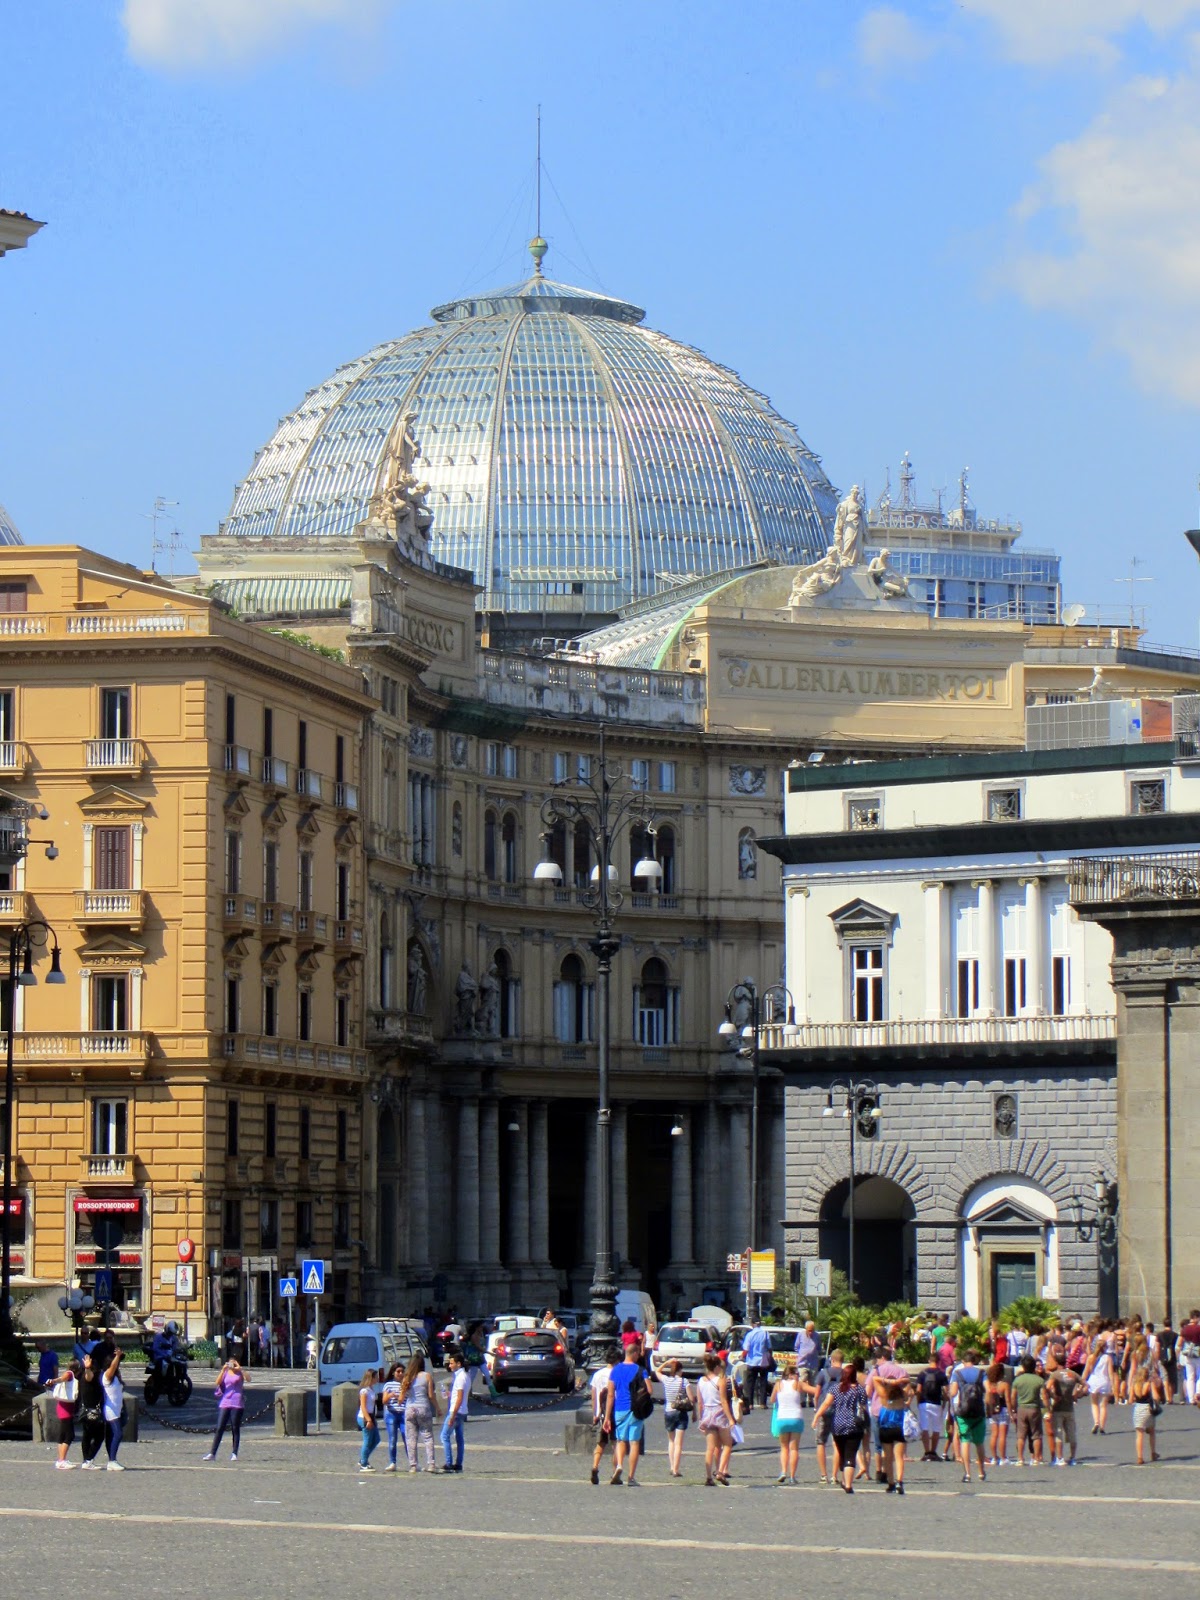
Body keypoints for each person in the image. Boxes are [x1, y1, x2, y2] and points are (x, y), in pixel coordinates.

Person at [816, 1356, 868, 1494]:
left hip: (837, 1425)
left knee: (842, 1453)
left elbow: (826, 1404)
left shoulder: (836, 1389)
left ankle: (845, 1480)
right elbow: (863, 1407)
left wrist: (816, 1416)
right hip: (855, 1425)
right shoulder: (859, 1390)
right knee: (850, 1455)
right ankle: (848, 1484)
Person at [605, 1338, 648, 1487]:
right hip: (635, 1410)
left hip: (619, 1409)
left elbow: (610, 1394)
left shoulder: (615, 1370)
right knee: (634, 1442)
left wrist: (607, 1417)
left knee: (620, 1440)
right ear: (635, 1353)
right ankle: (631, 1477)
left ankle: (619, 1466)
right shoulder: (641, 1370)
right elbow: (650, 1389)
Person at [770, 1359, 819, 1485]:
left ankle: (783, 1471)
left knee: (784, 1447)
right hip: (796, 1418)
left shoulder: (778, 1384)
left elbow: (772, 1399)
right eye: (796, 1373)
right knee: (794, 1448)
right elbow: (815, 1391)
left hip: (782, 1418)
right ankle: (792, 1476)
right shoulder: (798, 1384)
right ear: (792, 1374)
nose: (798, 1375)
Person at [696, 1351, 736, 1488]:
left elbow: (700, 1403)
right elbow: (724, 1401)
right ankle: (719, 1472)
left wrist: (701, 1419)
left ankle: (708, 1477)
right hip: (719, 1413)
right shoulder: (720, 1380)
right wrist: (731, 1419)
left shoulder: (701, 1381)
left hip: (707, 1413)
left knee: (710, 1448)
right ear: (717, 1367)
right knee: (728, 1444)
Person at [949, 1347, 988, 1484]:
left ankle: (967, 1473)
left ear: (963, 1361)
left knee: (965, 1440)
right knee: (979, 1442)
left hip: (963, 1411)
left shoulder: (957, 1373)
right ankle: (982, 1471)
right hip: (978, 1411)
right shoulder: (981, 1373)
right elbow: (988, 1390)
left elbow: (953, 1393)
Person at [401, 1351, 440, 1473]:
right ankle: (431, 1464)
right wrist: (438, 1408)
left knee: (411, 1438)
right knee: (427, 1436)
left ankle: (413, 1465)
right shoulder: (426, 1376)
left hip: (410, 1408)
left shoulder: (407, 1377)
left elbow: (401, 1398)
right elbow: (430, 1395)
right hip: (423, 1407)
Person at [203, 1357, 248, 1462]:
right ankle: (212, 1453)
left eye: (233, 1363)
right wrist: (223, 1370)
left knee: (235, 1428)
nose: (231, 1365)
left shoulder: (239, 1373)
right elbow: (217, 1382)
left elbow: (249, 1379)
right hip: (225, 1402)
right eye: (230, 1363)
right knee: (219, 1428)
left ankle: (234, 1453)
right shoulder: (226, 1372)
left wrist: (240, 1368)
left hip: (237, 1402)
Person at [1041, 1351, 1082, 1467]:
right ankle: (1073, 1457)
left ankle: (1060, 1458)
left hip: (1058, 1408)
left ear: (1056, 1362)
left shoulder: (1055, 1375)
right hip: (1070, 1407)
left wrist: (1054, 1396)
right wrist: (1077, 1394)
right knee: (1072, 1433)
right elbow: (1086, 1385)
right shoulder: (1073, 1374)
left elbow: (1047, 1388)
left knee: (1058, 1433)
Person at [1128, 1336, 1164, 1465]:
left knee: (1139, 1434)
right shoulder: (1150, 1351)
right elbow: (1155, 1366)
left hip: (1138, 1406)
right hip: (1147, 1405)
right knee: (1152, 1431)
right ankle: (1153, 1452)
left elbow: (1132, 1370)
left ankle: (1139, 1457)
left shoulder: (1134, 1354)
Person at [876, 1372, 913, 1495]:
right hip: (899, 1428)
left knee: (888, 1457)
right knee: (899, 1457)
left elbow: (875, 1380)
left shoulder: (884, 1395)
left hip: (885, 1428)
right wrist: (899, 1381)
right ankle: (899, 1482)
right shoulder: (902, 1396)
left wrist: (888, 1381)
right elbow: (909, 1381)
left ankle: (891, 1483)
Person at [811, 1347, 844, 1483]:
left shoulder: (822, 1373)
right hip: (839, 1410)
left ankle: (823, 1475)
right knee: (836, 1443)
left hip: (824, 1410)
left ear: (832, 1360)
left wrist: (816, 1406)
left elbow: (817, 1393)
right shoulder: (845, 1374)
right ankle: (834, 1475)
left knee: (820, 1442)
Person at [659, 1358, 695, 1478]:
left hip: (668, 1411)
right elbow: (691, 1399)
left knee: (671, 1441)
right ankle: (676, 1469)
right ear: (680, 1370)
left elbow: (657, 1371)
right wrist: (694, 1411)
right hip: (680, 1412)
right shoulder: (684, 1381)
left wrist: (666, 1362)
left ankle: (671, 1465)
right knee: (679, 1443)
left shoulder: (666, 1380)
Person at [588, 1347, 617, 1485]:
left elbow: (594, 1396)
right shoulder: (617, 1374)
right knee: (616, 1444)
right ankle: (615, 1472)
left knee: (601, 1443)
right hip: (614, 1413)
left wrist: (595, 1413)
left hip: (601, 1413)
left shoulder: (597, 1374)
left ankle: (595, 1466)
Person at [1011, 1355, 1045, 1466]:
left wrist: (1013, 1409)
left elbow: (1013, 1396)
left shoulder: (1018, 1380)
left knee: (1021, 1435)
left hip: (1021, 1407)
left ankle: (1020, 1458)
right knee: (1036, 1435)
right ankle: (1036, 1458)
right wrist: (1047, 1408)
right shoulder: (1039, 1380)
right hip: (1034, 1407)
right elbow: (1044, 1396)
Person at [77, 1349, 107, 1469]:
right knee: (99, 1436)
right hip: (92, 1410)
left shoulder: (82, 1378)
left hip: (86, 1410)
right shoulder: (90, 1377)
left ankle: (86, 1460)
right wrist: (88, 1368)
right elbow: (89, 1377)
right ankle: (88, 1459)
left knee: (87, 1435)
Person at [440, 1347, 470, 1473]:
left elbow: (460, 1397)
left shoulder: (461, 1377)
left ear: (459, 1364)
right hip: (462, 1411)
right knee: (459, 1438)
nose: (450, 1365)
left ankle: (449, 1462)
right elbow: (457, 1395)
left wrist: (452, 1415)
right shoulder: (462, 1376)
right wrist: (449, 1394)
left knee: (444, 1435)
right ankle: (458, 1464)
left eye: (452, 1363)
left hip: (456, 1411)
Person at [916, 1352, 948, 1462]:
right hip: (936, 1403)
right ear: (939, 1362)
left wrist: (918, 1401)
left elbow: (918, 1390)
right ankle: (933, 1452)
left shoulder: (922, 1373)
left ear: (929, 1360)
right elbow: (945, 1391)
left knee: (924, 1428)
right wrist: (944, 1403)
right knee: (936, 1429)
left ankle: (926, 1452)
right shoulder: (941, 1374)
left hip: (924, 1403)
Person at [741, 1315, 774, 1411]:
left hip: (752, 1361)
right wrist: (770, 1357)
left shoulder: (750, 1335)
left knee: (750, 1383)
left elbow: (746, 1349)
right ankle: (763, 1403)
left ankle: (750, 1403)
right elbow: (769, 1347)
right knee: (763, 1382)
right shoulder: (765, 1333)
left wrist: (742, 1357)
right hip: (763, 1361)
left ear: (752, 1324)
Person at [51, 1359, 80, 1469]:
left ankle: (61, 1459)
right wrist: (54, 1381)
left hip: (63, 1408)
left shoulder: (68, 1373)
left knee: (62, 1435)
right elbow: (62, 1379)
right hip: (66, 1410)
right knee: (69, 1435)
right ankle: (61, 1460)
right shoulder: (70, 1374)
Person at [1085, 1331, 1115, 1434]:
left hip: (1093, 1381)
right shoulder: (1108, 1358)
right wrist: (1113, 1386)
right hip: (1104, 1381)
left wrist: (1081, 1383)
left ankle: (1096, 1422)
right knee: (1103, 1405)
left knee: (1094, 1403)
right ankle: (1102, 1426)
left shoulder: (1091, 1357)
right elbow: (1111, 1373)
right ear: (1105, 1347)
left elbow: (1086, 1372)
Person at [101, 1346, 126, 1470]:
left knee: (113, 1435)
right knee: (118, 1433)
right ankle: (112, 1460)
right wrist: (117, 1356)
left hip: (117, 1409)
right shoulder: (107, 1376)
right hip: (110, 1410)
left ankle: (112, 1459)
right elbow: (113, 1367)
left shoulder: (116, 1377)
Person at [984, 1360, 1012, 1467]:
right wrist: (1011, 1413)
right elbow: (1008, 1401)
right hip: (1003, 1410)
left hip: (992, 1411)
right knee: (1002, 1435)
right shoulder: (1004, 1385)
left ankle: (994, 1457)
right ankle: (1003, 1457)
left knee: (994, 1435)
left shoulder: (990, 1385)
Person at [380, 1361, 406, 1472]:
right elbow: (384, 1401)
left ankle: (413, 1462)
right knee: (393, 1439)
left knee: (407, 1438)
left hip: (404, 1413)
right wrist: (391, 1395)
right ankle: (392, 1462)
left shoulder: (405, 1384)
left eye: (402, 1371)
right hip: (392, 1413)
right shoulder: (388, 1385)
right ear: (393, 1373)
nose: (400, 1374)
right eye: (398, 1371)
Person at [356, 1366, 380, 1472]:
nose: (377, 1378)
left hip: (371, 1415)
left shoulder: (371, 1389)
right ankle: (364, 1464)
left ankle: (363, 1459)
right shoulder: (364, 1391)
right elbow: (363, 1406)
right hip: (365, 1416)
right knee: (367, 1440)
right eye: (376, 1377)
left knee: (376, 1439)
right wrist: (368, 1420)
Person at [1177, 1310, 1200, 1406]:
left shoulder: (1184, 1329)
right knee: (1199, 1375)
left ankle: (1191, 1399)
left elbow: (1179, 1344)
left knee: (1190, 1376)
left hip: (1187, 1355)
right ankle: (1198, 1394)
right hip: (1198, 1354)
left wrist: (1178, 1358)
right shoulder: (1199, 1328)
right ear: (1196, 1317)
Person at [792, 1321, 820, 1397]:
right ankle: (802, 1400)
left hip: (813, 1363)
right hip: (802, 1363)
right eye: (809, 1330)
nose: (811, 1332)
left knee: (812, 1382)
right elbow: (796, 1347)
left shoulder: (817, 1336)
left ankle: (811, 1400)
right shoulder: (800, 1335)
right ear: (806, 1329)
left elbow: (819, 1348)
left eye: (812, 1330)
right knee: (802, 1381)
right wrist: (803, 1354)